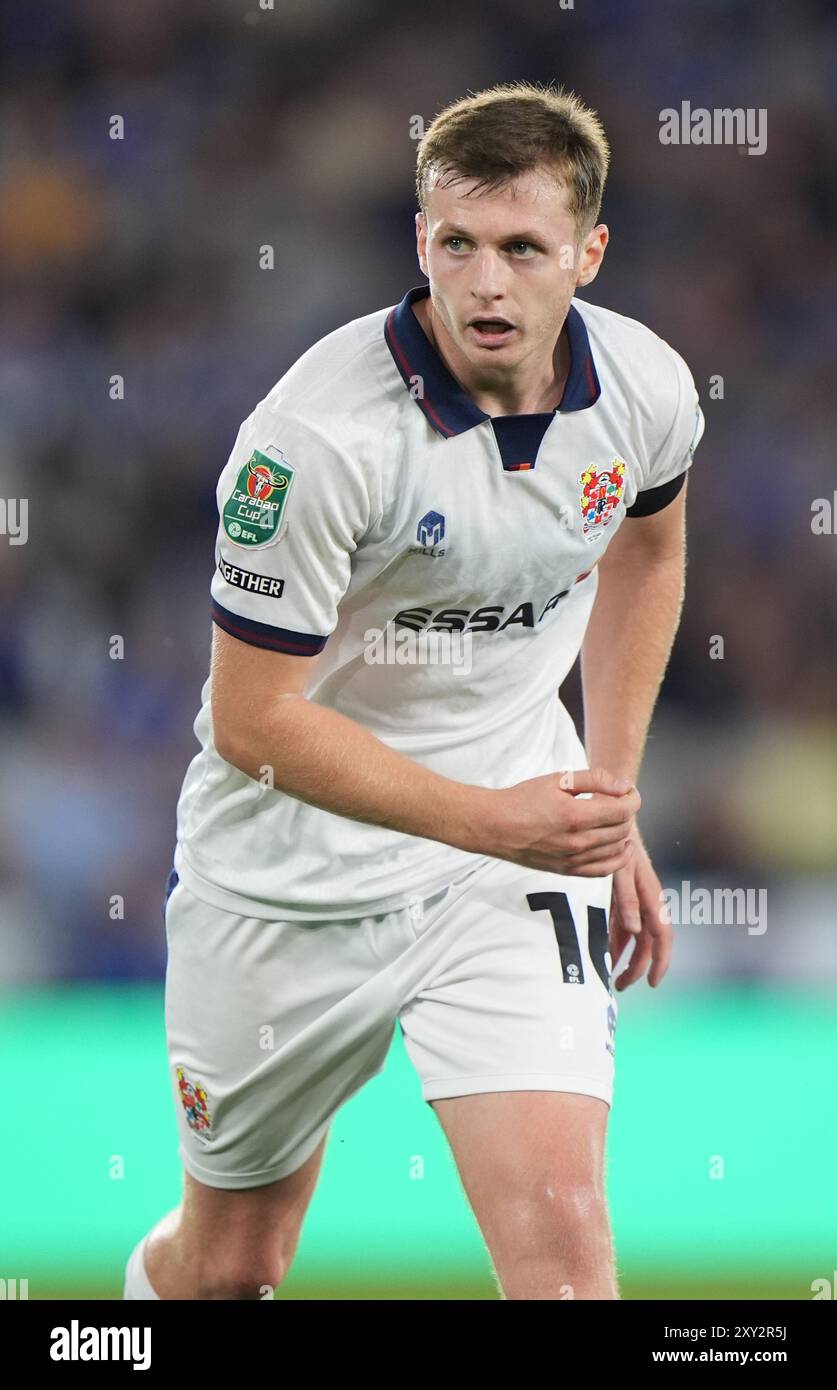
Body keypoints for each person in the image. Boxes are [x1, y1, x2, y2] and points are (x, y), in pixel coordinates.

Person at [124, 80, 704, 1302]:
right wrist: (507, 820)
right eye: (458, 244)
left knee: (567, 1254)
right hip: (289, 878)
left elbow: (648, 549)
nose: (487, 283)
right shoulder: (315, 444)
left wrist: (603, 799)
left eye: (522, 249)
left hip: (507, 854)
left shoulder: (646, 389)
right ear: (420, 240)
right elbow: (253, 722)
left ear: (588, 253)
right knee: (229, 1267)